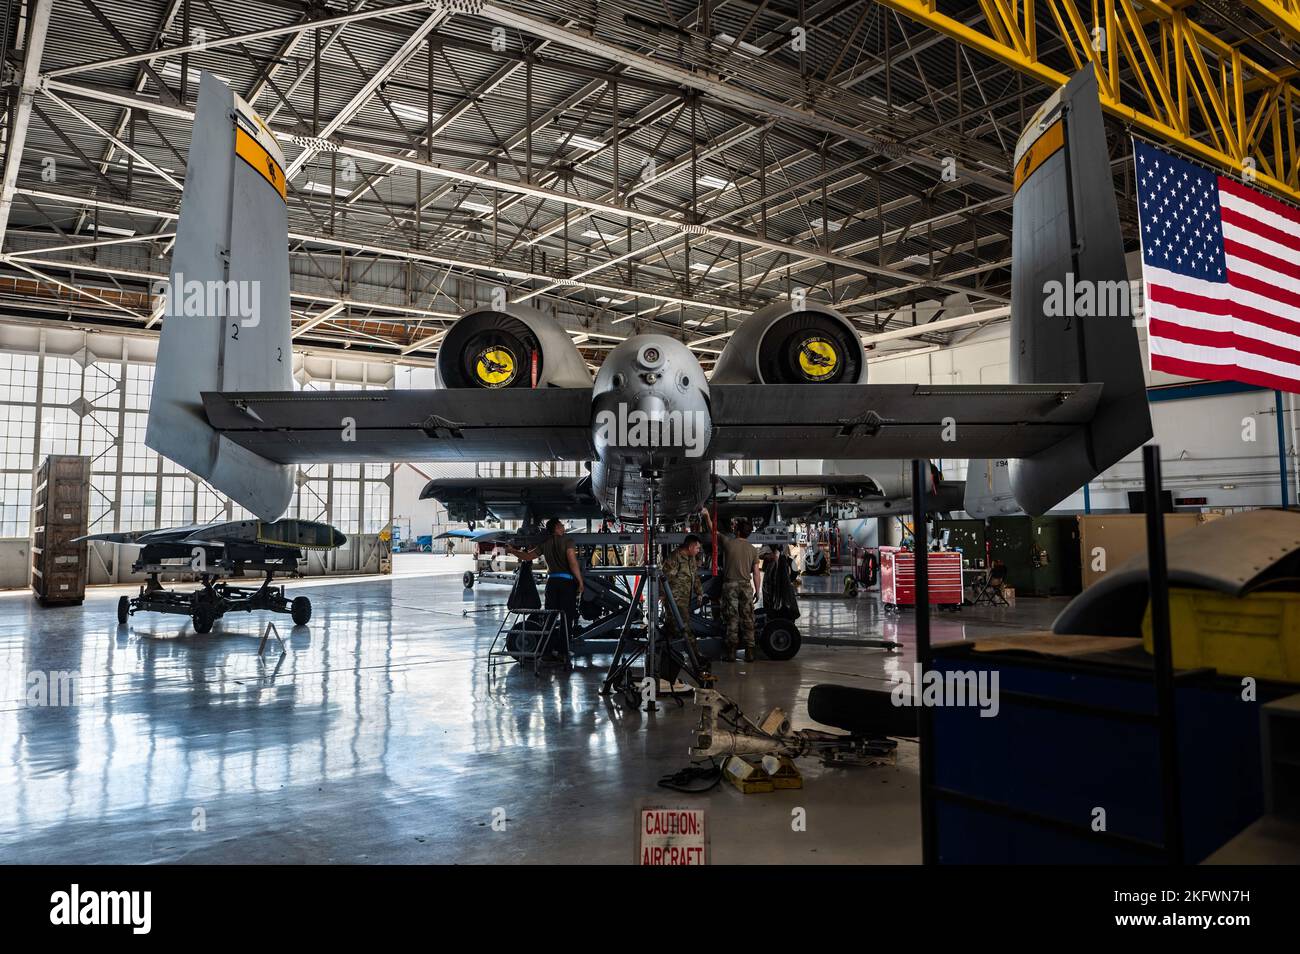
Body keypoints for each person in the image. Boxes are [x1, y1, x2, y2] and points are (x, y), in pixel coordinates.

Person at [506, 518, 583, 640]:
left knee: (550, 617)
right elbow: (572, 561)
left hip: (552, 583)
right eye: (561, 525)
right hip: (566, 584)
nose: (563, 527)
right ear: (557, 528)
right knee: (566, 618)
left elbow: (527, 556)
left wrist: (512, 551)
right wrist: (580, 581)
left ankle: (547, 649)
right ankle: (563, 651)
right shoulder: (568, 541)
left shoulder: (545, 543)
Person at [702, 510, 761, 662]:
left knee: (732, 619)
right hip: (746, 586)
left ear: (737, 530)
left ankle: (732, 653)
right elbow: (756, 573)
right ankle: (749, 652)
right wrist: (758, 590)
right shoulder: (753, 550)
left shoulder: (728, 543)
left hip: (730, 586)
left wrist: (707, 515)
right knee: (748, 618)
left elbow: (712, 530)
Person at [661, 533, 705, 664]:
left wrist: (699, 592)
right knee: (685, 628)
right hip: (675, 600)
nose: (698, 551)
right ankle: (696, 657)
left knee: (670, 627)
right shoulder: (675, 557)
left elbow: (695, 576)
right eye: (697, 548)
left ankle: (663, 653)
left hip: (684, 599)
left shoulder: (691, 558)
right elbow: (664, 578)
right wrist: (663, 596)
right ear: (691, 547)